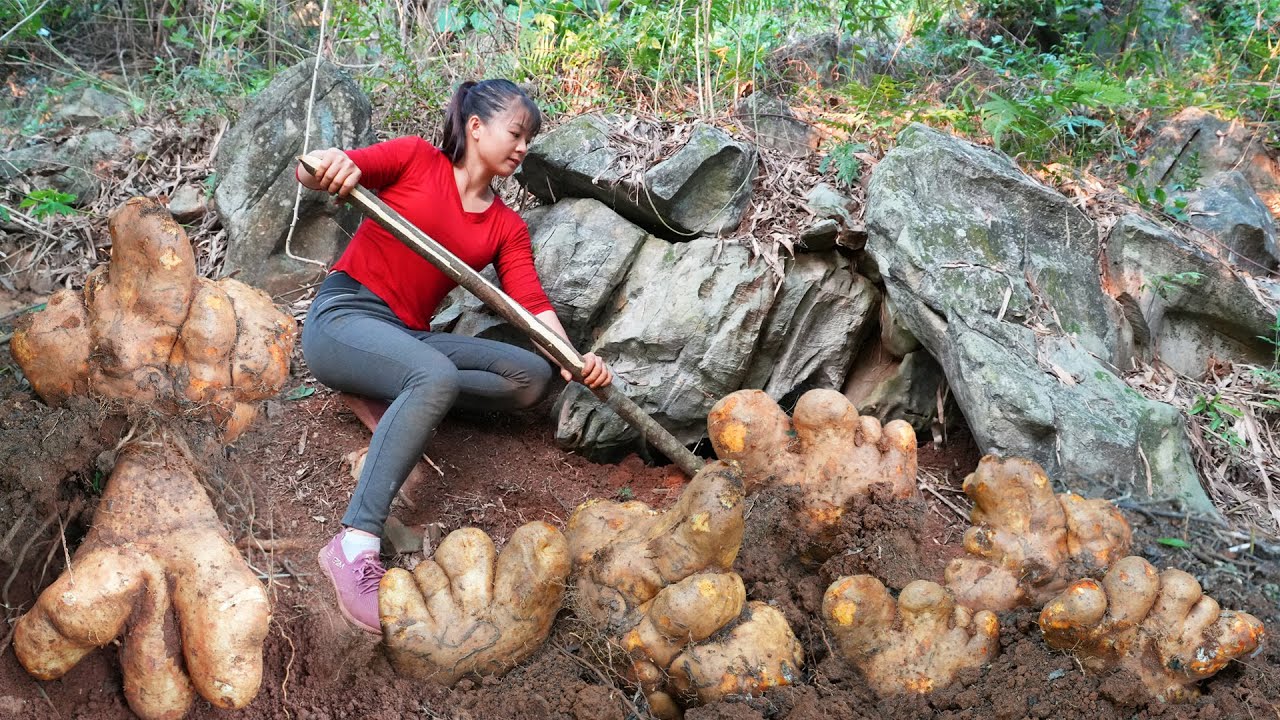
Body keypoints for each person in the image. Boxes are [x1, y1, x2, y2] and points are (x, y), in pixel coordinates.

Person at [296, 79, 612, 635]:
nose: (521, 148)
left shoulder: (505, 226)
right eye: (515, 133)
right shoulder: (417, 160)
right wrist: (327, 165)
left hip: (406, 337)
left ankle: (399, 393)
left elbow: (531, 303)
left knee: (531, 376)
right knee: (434, 375)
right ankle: (354, 543)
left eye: (528, 141)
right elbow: (323, 168)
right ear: (475, 127)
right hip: (344, 318)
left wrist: (574, 359)